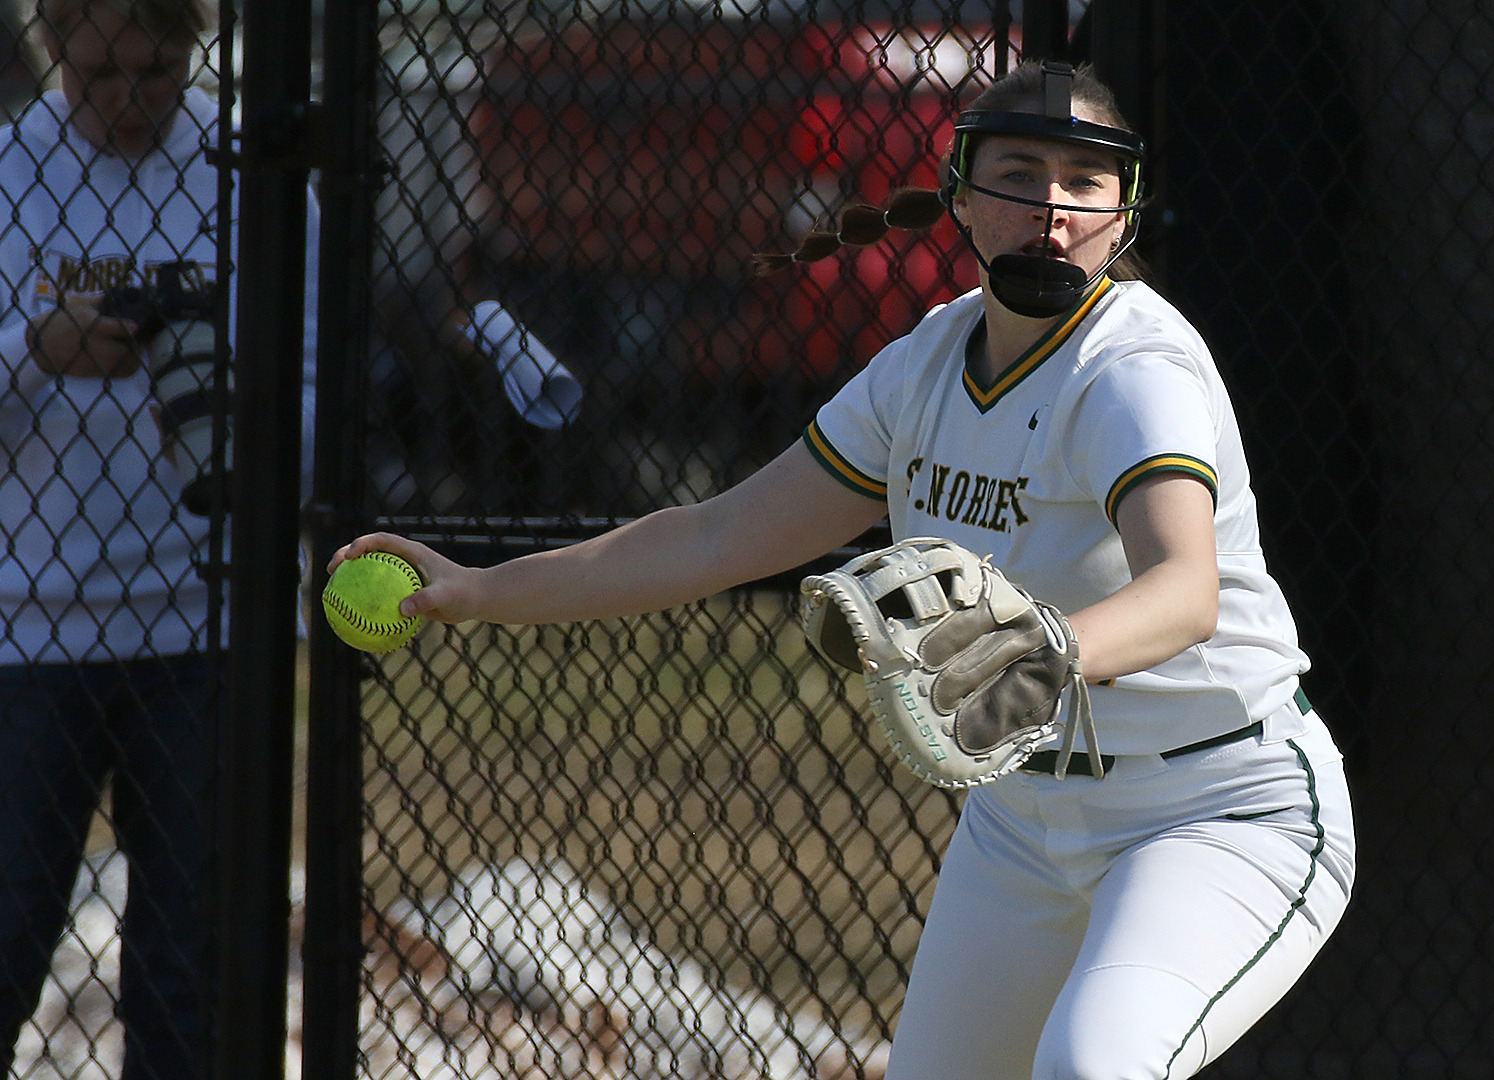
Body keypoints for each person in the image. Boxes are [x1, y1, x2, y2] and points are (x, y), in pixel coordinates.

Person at [332, 60, 1356, 1080]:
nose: (1052, 205)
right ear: (960, 195)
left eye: (1086, 182)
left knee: (1097, 1065)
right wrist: (475, 586)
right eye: (1021, 172)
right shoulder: (923, 369)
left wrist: (1043, 653)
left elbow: (1185, 591)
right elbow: (713, 539)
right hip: (1025, 826)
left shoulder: (1132, 370)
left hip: (1219, 806)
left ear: (1124, 211)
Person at [0, 1, 317, 1076]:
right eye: (97, 74)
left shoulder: (252, 174)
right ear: (51, 46)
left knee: (192, 972)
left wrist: (224, 387)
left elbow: (321, 387)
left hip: (204, 625)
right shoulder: (9, 173)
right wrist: (33, 348)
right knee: (7, 942)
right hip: (24, 633)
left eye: (157, 68)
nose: (129, 99)